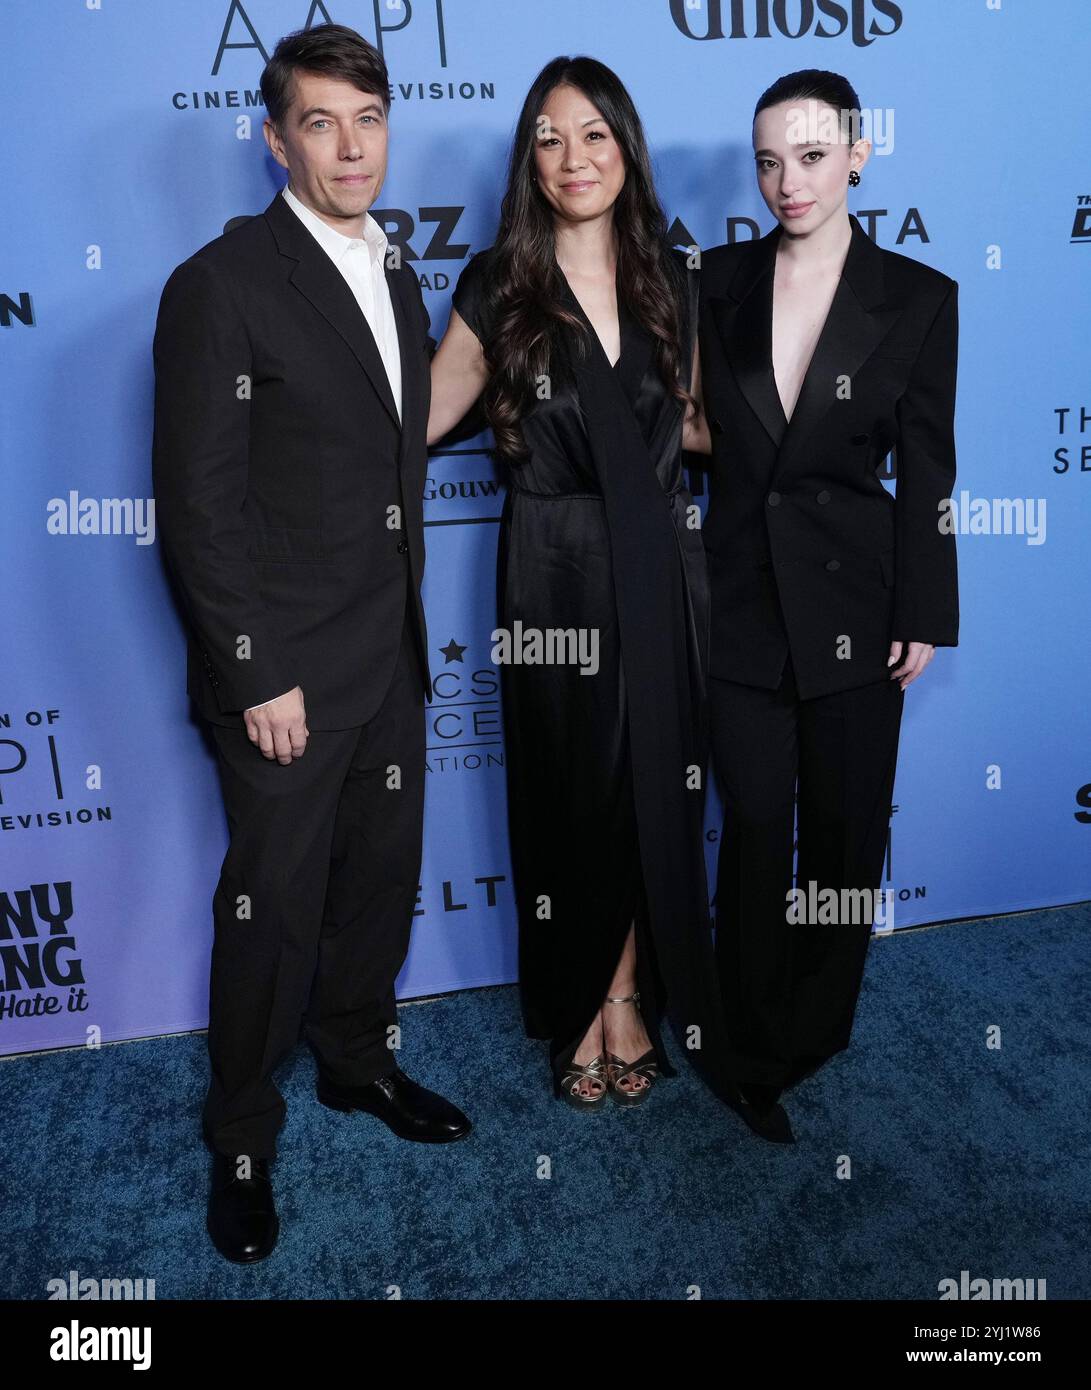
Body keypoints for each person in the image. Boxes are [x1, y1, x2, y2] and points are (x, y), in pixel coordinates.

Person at [152, 24, 471, 1264]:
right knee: (269, 908)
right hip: (282, 675)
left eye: (369, 119)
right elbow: (199, 503)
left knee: (376, 887)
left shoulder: (392, 273)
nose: (351, 146)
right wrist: (253, 670)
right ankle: (240, 1132)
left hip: (390, 655)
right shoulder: (219, 284)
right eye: (322, 122)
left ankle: (355, 1062)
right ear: (274, 137)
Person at [428, 56, 774, 1136]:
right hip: (551, 567)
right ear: (527, 160)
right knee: (569, 791)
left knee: (650, 795)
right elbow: (426, 413)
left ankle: (629, 995)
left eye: (591, 135)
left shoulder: (676, 279)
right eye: (547, 138)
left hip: (663, 568)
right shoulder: (497, 283)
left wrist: (816, 453)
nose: (571, 158)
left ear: (625, 146)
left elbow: (703, 429)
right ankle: (577, 1000)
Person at [696, 69, 959, 1133]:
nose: (785, 181)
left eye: (808, 157)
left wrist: (925, 609)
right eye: (767, 160)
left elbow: (928, 470)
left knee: (844, 836)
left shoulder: (919, 296)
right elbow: (680, 423)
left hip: (862, 600)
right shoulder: (710, 279)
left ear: (856, 154)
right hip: (739, 603)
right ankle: (749, 1041)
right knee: (755, 827)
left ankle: (815, 1024)